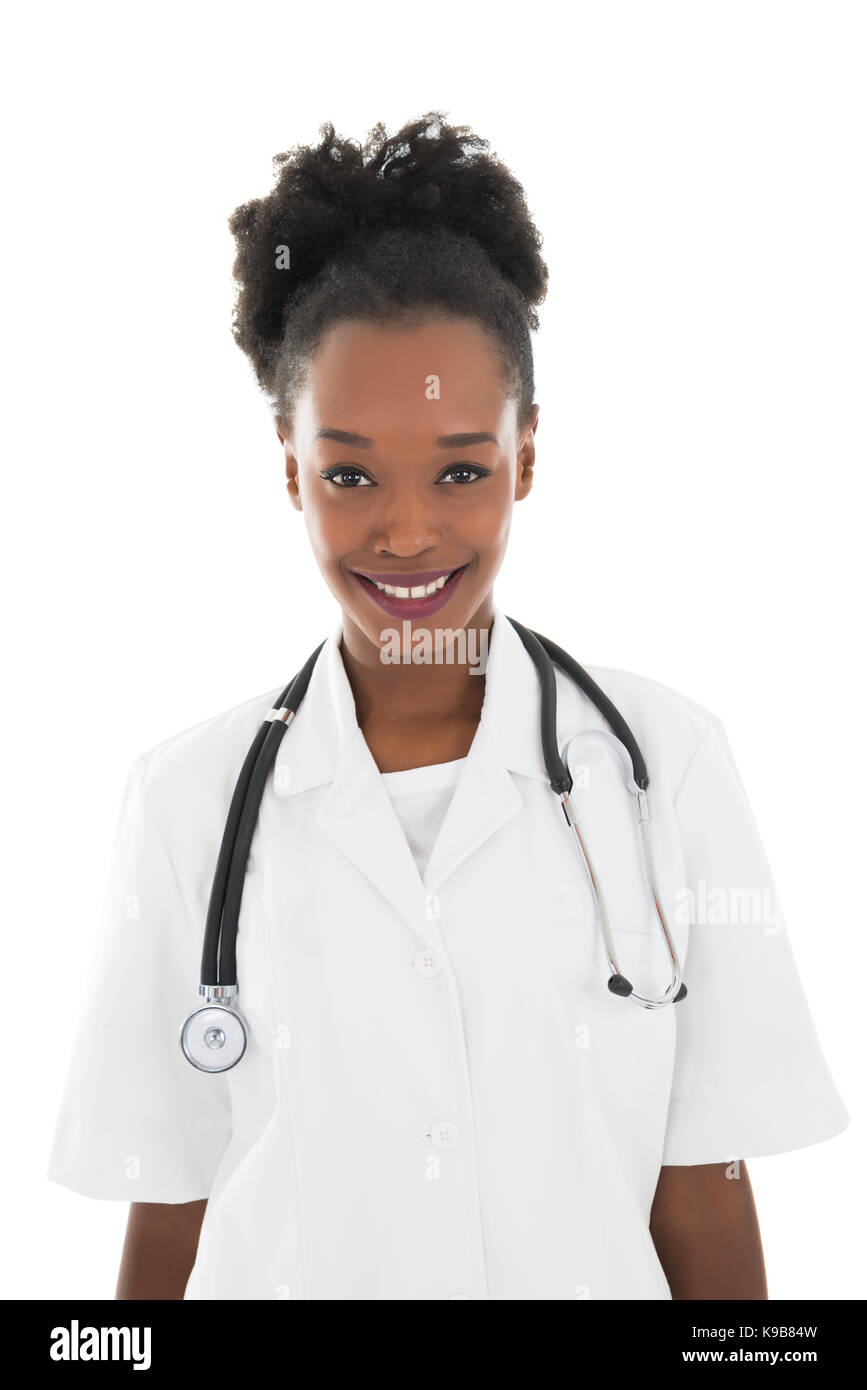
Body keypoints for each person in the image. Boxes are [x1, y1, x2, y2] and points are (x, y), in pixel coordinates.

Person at [46, 111, 849, 1301]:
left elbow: (702, 1193)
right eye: (351, 473)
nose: (408, 530)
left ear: (528, 456)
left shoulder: (663, 767)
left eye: (463, 469)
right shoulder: (185, 802)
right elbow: (171, 1213)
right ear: (289, 466)